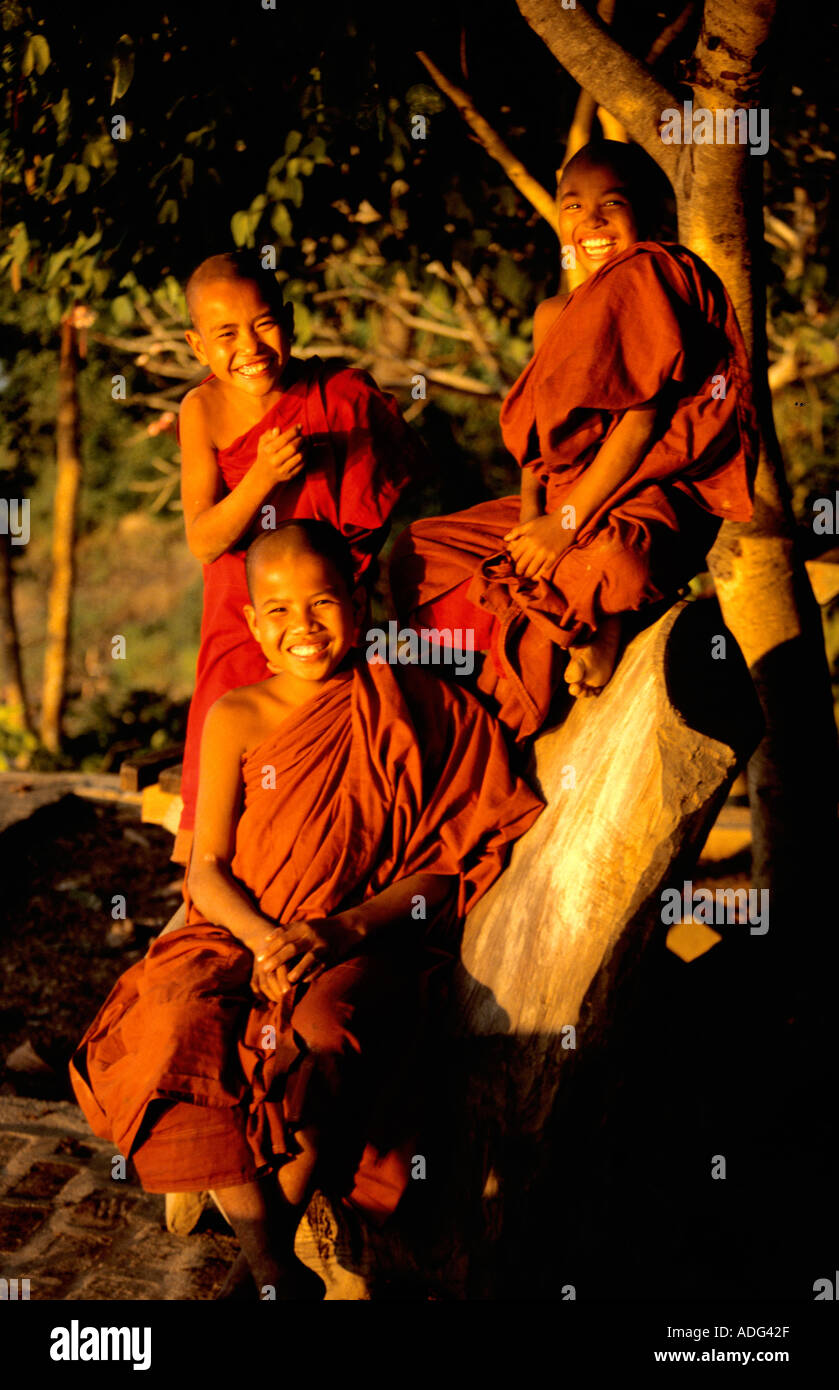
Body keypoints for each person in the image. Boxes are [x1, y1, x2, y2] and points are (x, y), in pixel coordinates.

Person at [70, 521, 543, 1299]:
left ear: (358, 606)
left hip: (355, 939)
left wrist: (340, 929)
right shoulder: (235, 716)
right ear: (253, 624)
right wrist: (262, 940)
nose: (303, 627)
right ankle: (269, 1267)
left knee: (327, 1034)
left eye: (322, 603)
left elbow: (448, 868)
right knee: (171, 1029)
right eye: (279, 611)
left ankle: (259, 1266)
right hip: (231, 934)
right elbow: (209, 872)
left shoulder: (415, 708)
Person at [390, 141, 758, 740]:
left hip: (641, 493)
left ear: (651, 215)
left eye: (612, 203)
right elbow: (537, 441)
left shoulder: (650, 279)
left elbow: (640, 426)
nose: (591, 220)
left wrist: (563, 527)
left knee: (617, 558)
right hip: (564, 501)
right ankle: (556, 632)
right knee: (424, 549)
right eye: (574, 206)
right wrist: (531, 527)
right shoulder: (551, 313)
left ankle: (597, 626)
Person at [174, 251, 424, 863]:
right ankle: (205, 906)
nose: (250, 346)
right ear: (197, 345)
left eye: (263, 324)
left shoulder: (340, 397)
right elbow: (203, 538)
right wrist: (259, 478)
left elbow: (377, 511)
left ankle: (313, 889)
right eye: (225, 334)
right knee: (217, 804)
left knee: (320, 786)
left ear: (289, 320)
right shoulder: (201, 410)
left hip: (324, 617)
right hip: (243, 620)